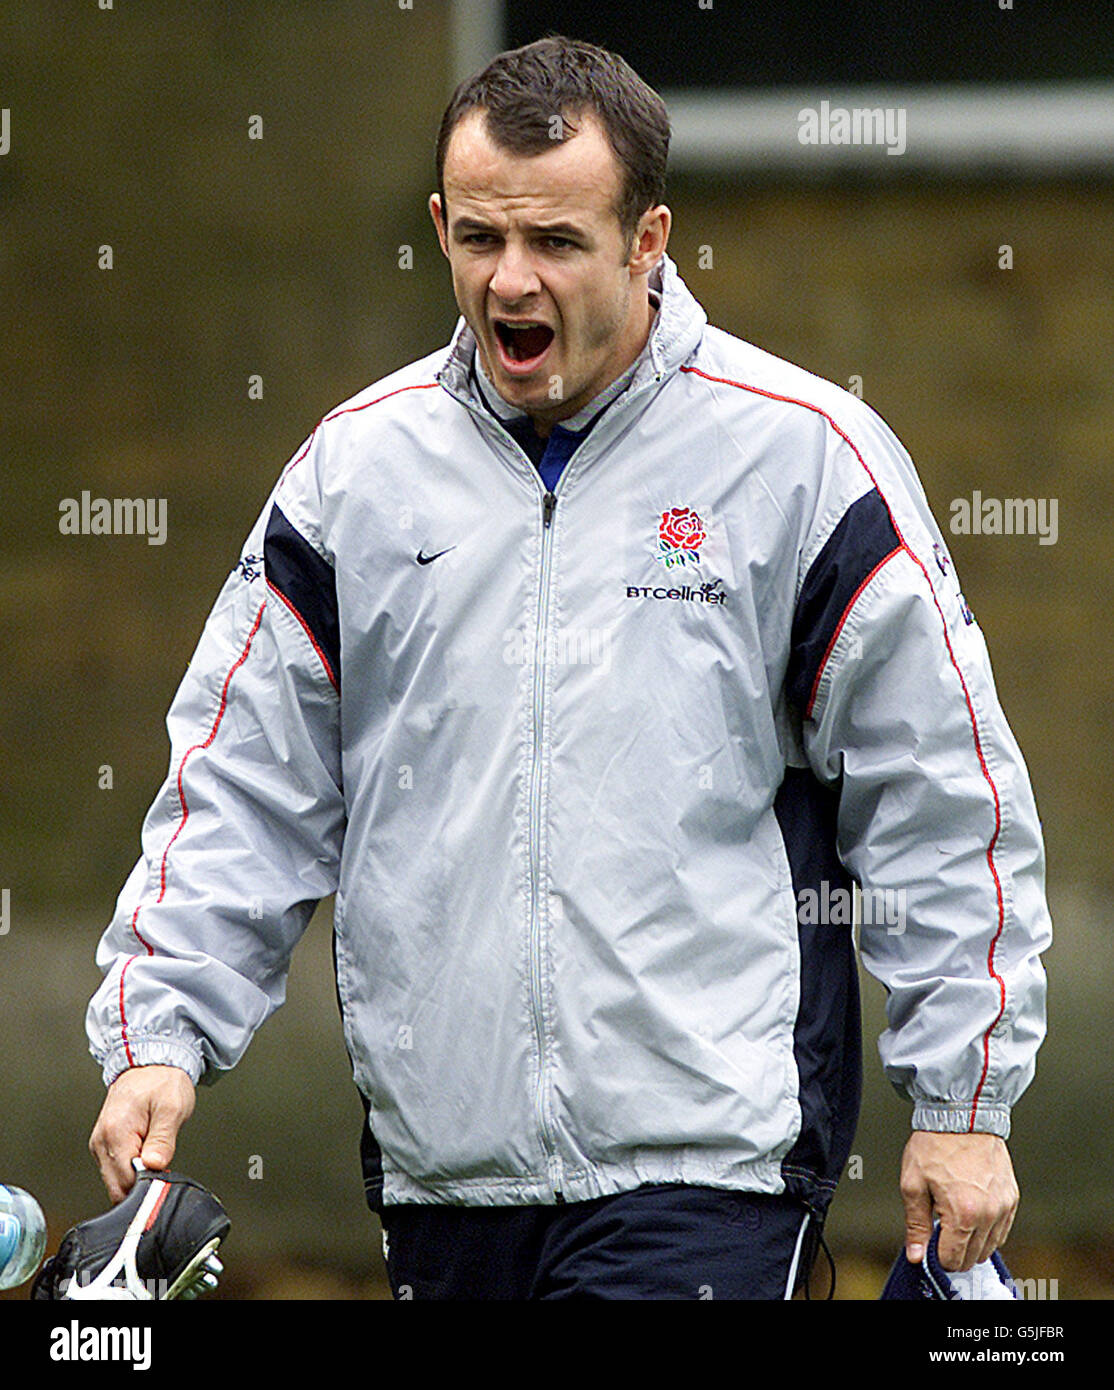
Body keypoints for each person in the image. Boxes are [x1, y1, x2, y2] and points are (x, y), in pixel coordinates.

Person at [85, 36, 1051, 1300]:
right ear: (438, 223)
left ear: (649, 238)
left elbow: (943, 795)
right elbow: (243, 789)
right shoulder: (351, 479)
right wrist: (160, 1035)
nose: (510, 282)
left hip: (710, 1175)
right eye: (480, 239)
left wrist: (964, 1097)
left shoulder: (804, 462)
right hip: (445, 1180)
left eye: (555, 242)